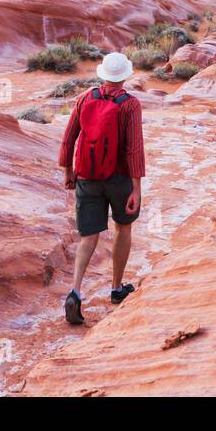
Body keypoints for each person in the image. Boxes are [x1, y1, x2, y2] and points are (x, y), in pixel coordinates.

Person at [58, 50, 145, 324]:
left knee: (88, 236)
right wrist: (136, 187)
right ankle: (117, 289)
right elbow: (133, 149)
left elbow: (69, 138)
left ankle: (75, 291)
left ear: (103, 74)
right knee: (123, 227)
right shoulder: (129, 104)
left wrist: (69, 171)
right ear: (125, 76)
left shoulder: (85, 98)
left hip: (87, 176)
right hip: (118, 179)